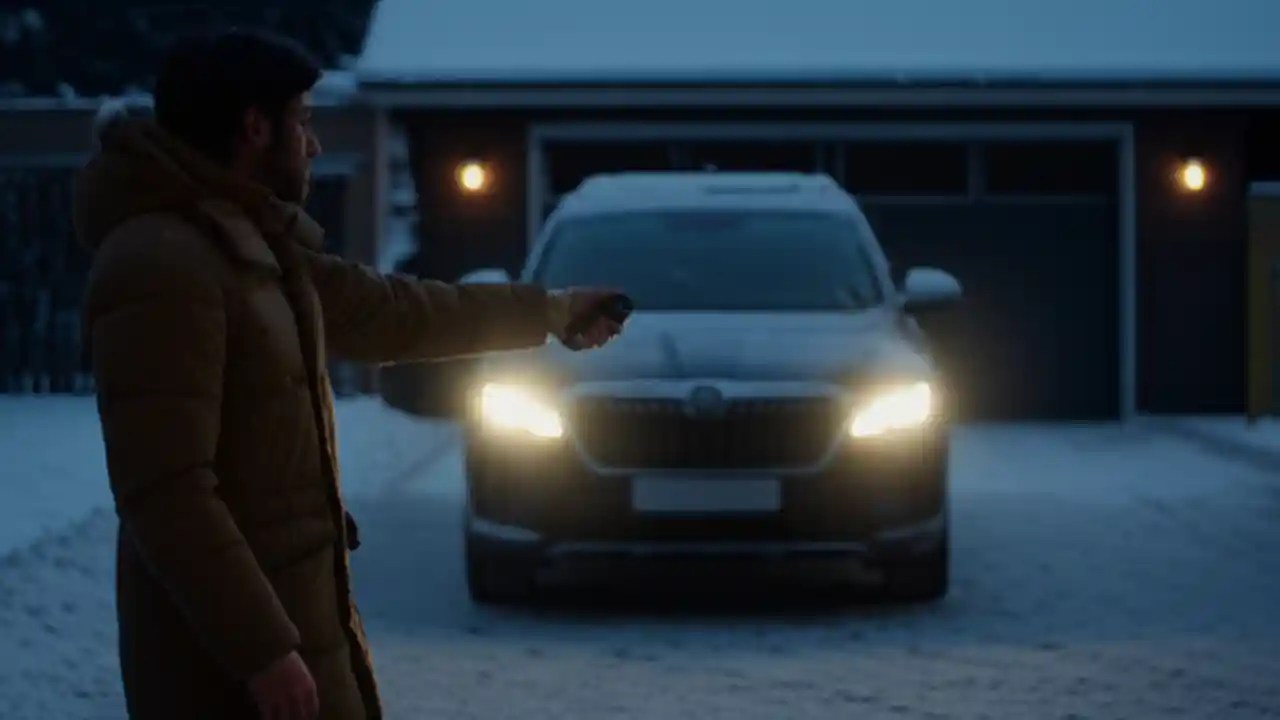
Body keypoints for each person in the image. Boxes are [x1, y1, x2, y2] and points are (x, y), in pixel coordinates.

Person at [73, 28, 623, 720]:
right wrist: (263, 652)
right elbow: (166, 492)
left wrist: (546, 310)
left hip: (291, 634)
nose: (314, 143)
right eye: (303, 121)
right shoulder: (163, 266)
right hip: (222, 669)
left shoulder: (256, 251)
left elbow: (396, 310)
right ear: (253, 127)